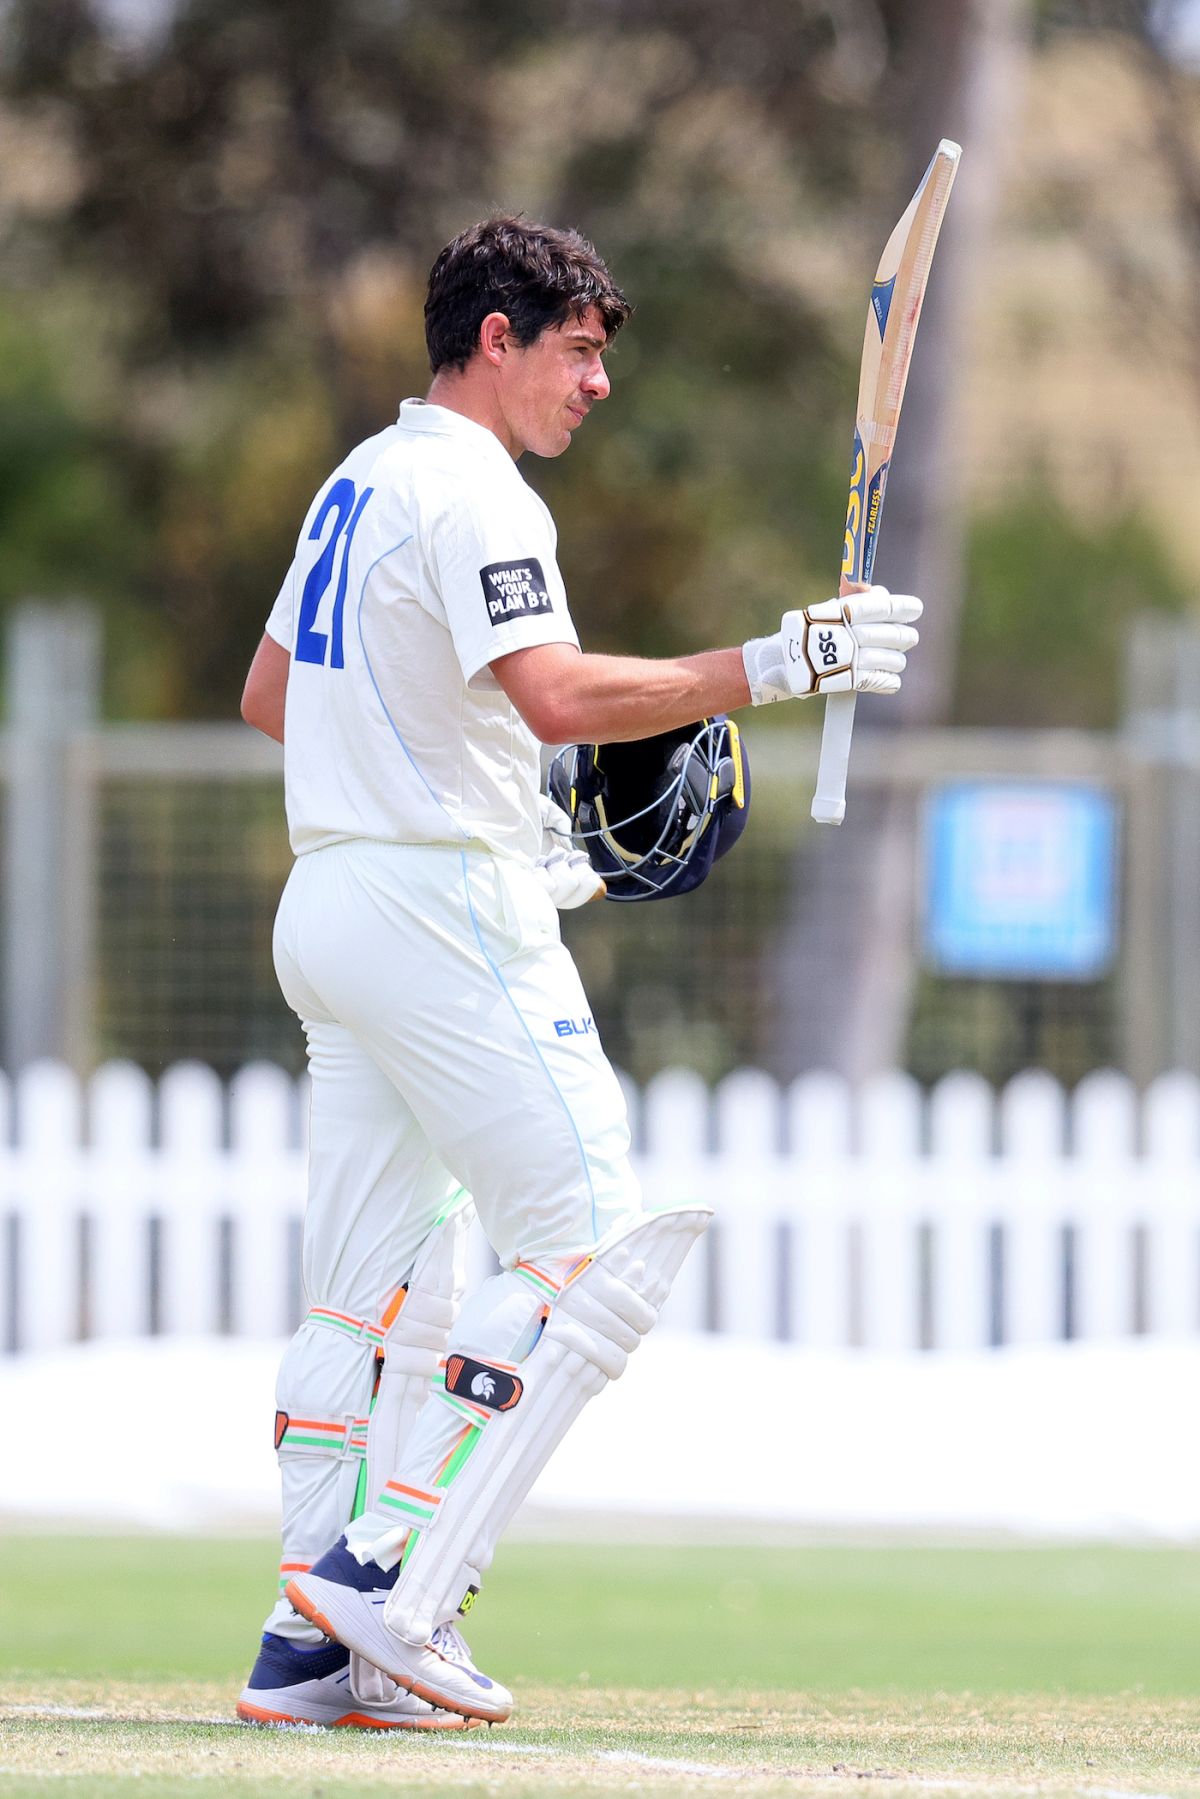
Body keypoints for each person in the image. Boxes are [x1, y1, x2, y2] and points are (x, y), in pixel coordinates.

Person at [237, 216, 921, 1729]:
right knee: (593, 1241)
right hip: (438, 908)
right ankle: (393, 1577)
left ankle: (305, 1647)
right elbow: (552, 694)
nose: (599, 384)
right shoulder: (481, 491)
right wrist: (781, 663)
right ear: (499, 339)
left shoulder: (360, 477)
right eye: (582, 351)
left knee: (363, 1296)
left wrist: (495, 794)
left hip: (332, 903)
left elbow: (274, 695)